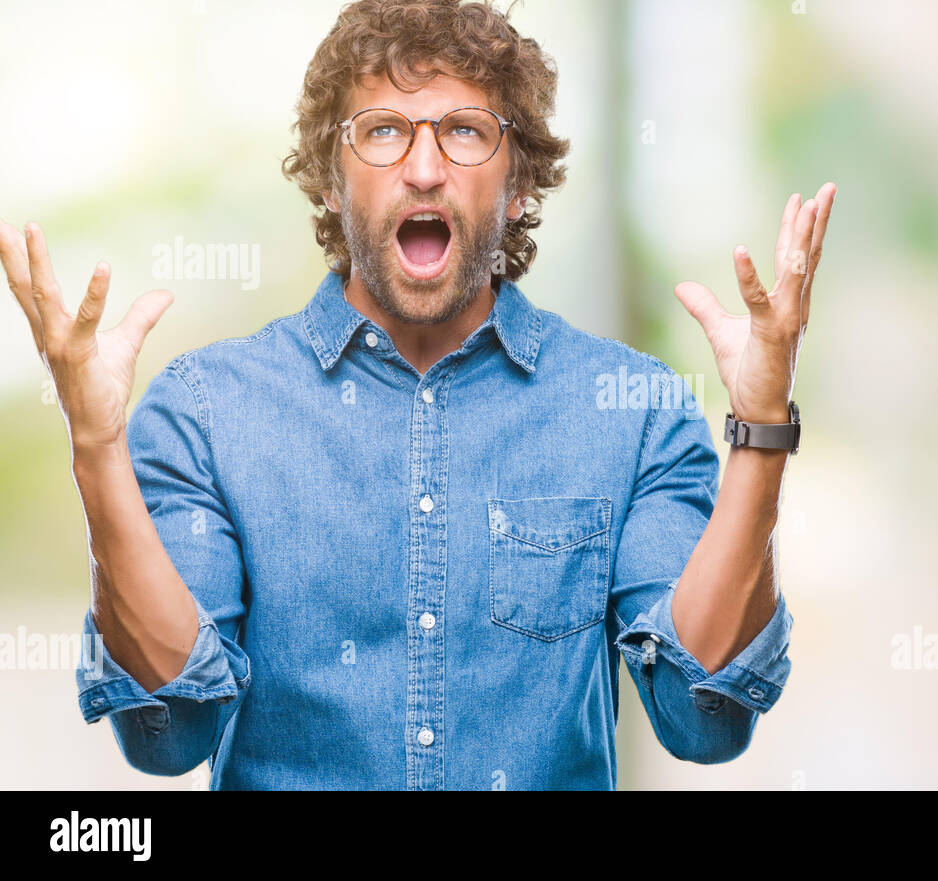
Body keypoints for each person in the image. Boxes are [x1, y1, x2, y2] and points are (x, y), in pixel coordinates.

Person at [0, 0, 834, 789]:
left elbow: (706, 718)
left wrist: (762, 428)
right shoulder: (206, 414)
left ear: (519, 187)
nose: (426, 168)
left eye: (466, 132)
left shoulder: (636, 411)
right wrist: (96, 449)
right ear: (332, 181)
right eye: (384, 132)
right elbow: (166, 732)